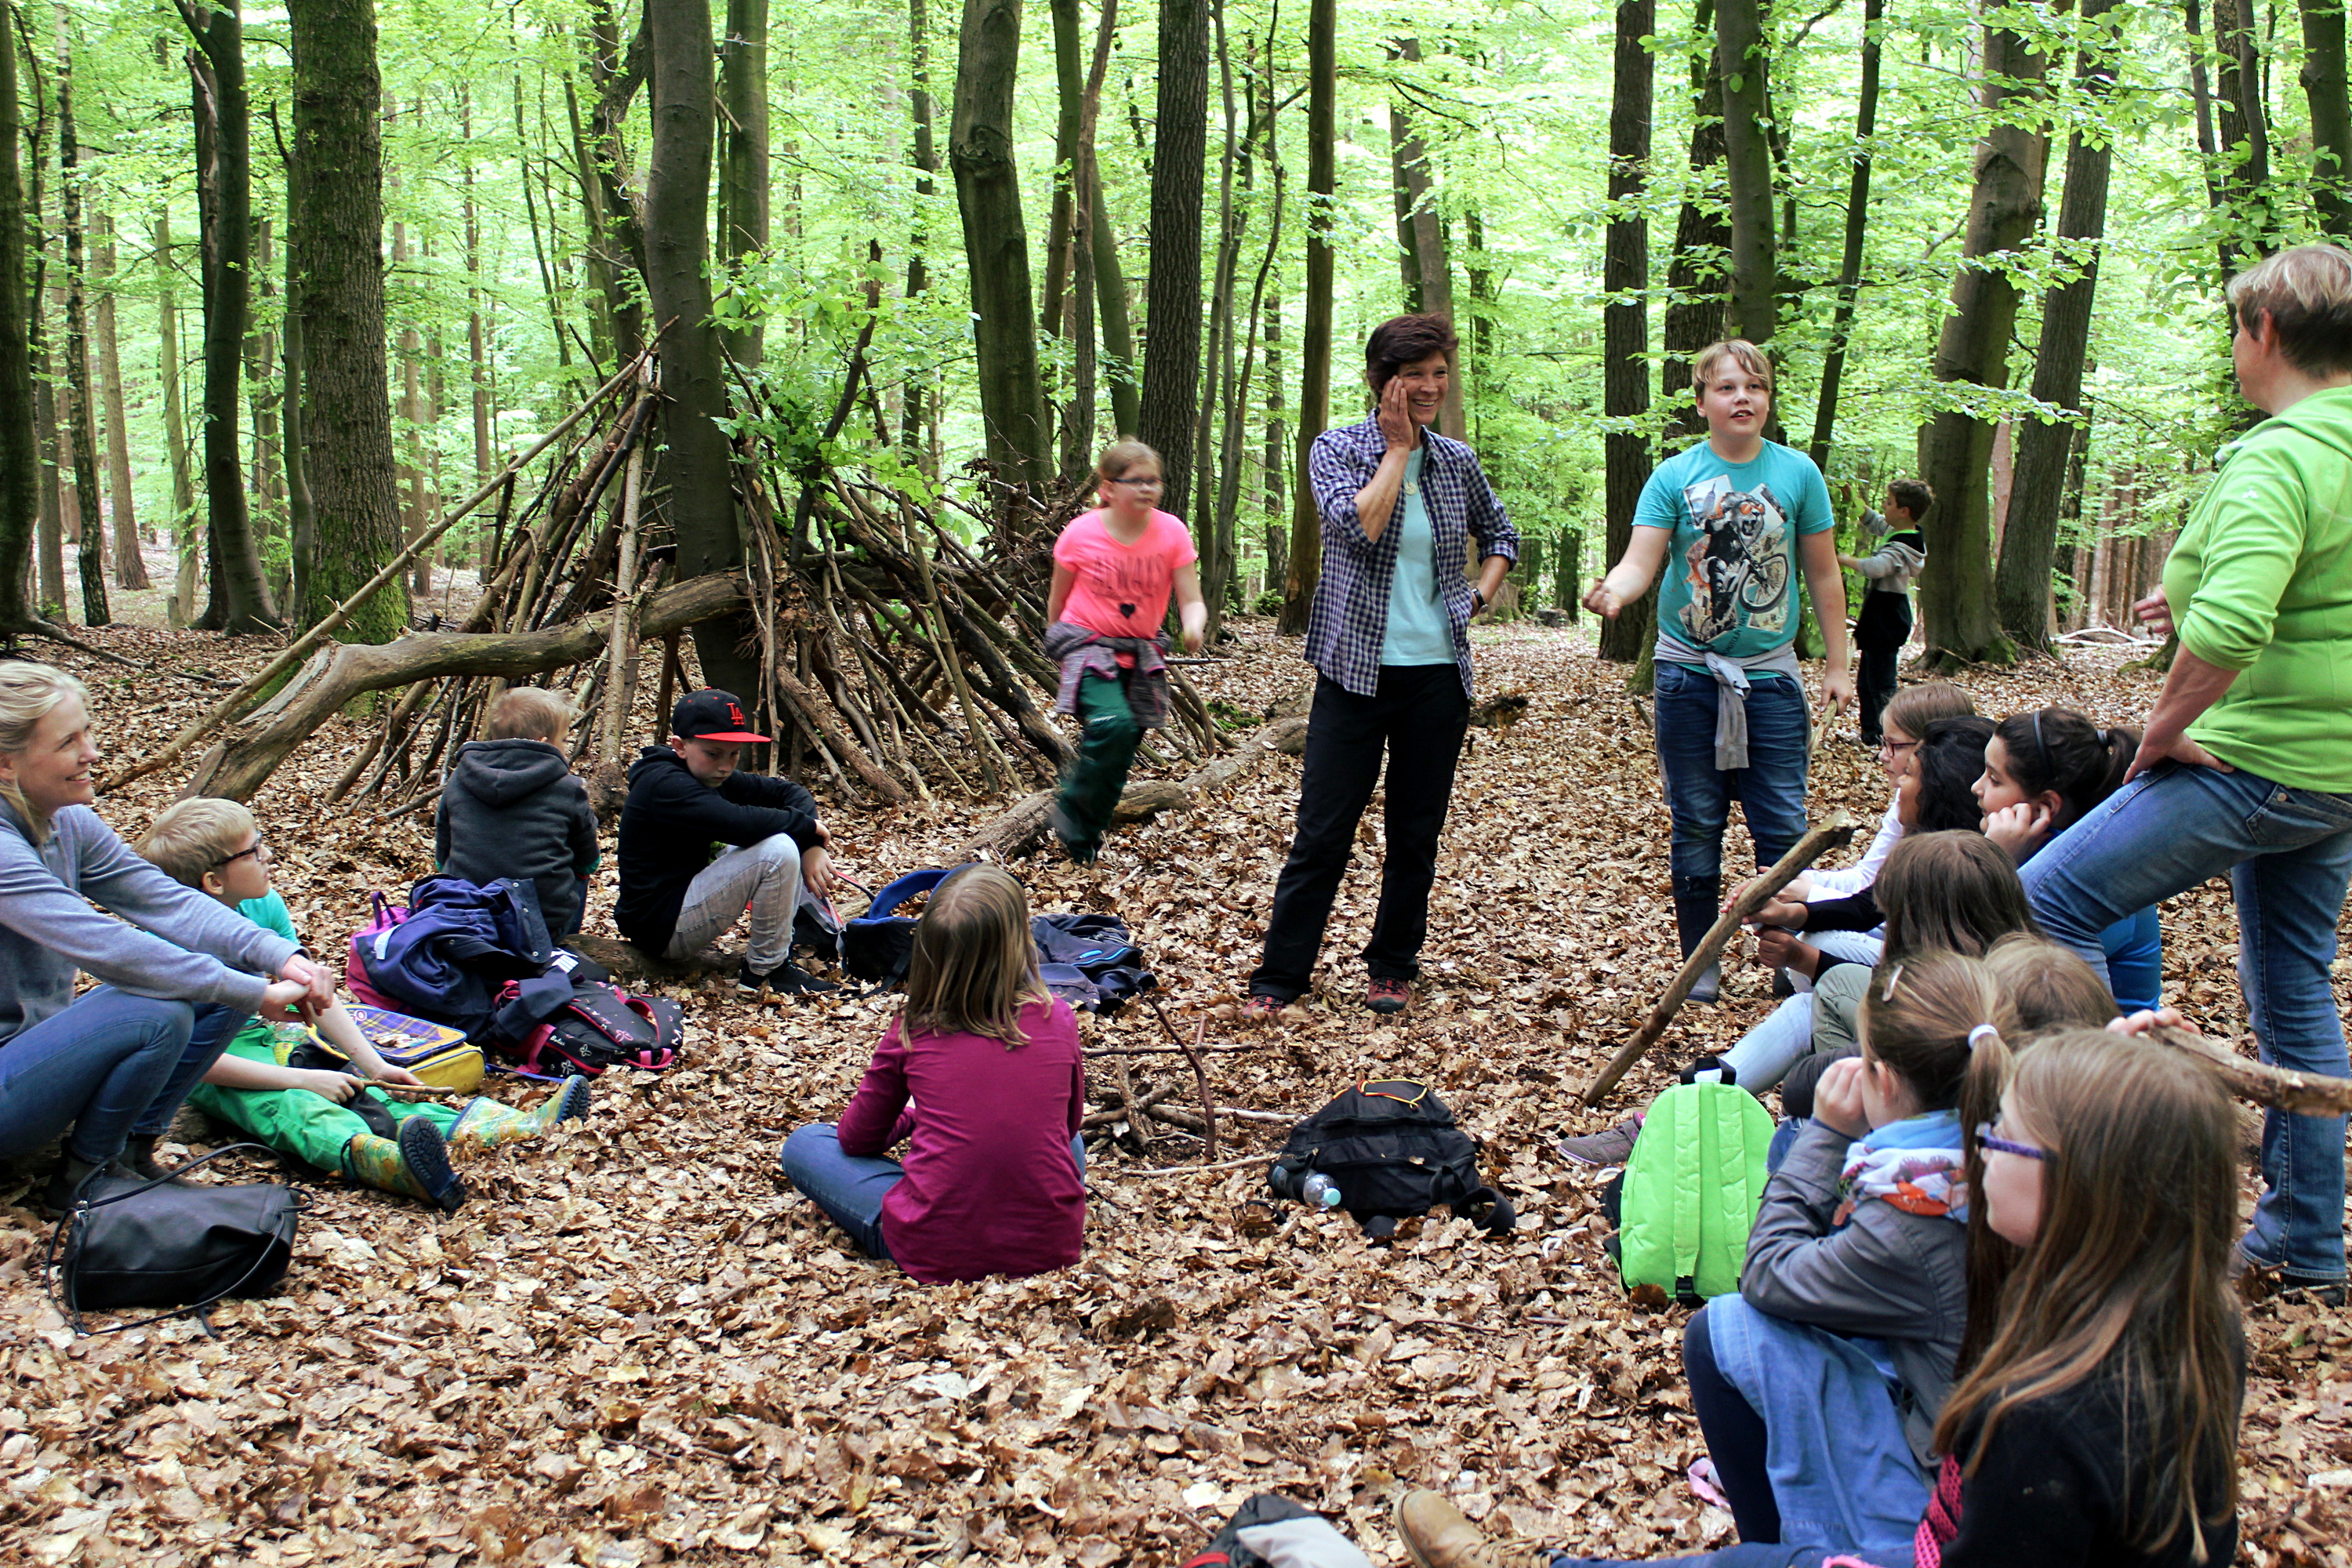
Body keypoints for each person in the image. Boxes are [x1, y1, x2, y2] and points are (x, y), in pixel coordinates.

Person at [1400, 1030, 2244, 1568]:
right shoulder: (2189, 1316)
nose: (1976, 1144)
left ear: (2084, 1185)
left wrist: (1832, 1140)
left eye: (2003, 1133)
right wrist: (2130, 1077)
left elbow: (1767, 1274)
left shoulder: (2043, 1415)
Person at [2020, 243, 2352, 1301]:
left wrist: (2161, 729)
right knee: (2292, 984)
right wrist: (2187, 602)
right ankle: (2305, 1244)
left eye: (2236, 329)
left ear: (2265, 333)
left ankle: (2098, 1184)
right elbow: (2299, 592)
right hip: (2336, 774)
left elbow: (2246, 618)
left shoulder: (2281, 454)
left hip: (2254, 762)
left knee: (2043, 900)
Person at [1682, 953, 2009, 1560]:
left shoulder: (1920, 1206)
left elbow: (1768, 1275)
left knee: (1721, 1332)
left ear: (1880, 1080)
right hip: (1995, 1451)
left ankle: (1787, 1551)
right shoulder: (2018, 1150)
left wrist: (1826, 1135)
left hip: (1950, 1493)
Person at [1244, 314, 1519, 1018]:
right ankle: (1281, 978)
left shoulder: (1457, 461)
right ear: (1382, 380)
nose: (1430, 387)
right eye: (1414, 374)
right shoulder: (1337, 449)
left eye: (1438, 373)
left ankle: (1393, 965)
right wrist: (1397, 451)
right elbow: (1359, 526)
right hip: (1353, 676)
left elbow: (1502, 534)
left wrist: (1474, 601)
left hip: (1436, 677)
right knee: (1323, 832)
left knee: (1414, 832)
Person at [140, 797, 590, 1213]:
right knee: (294, 1106)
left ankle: (512, 1124)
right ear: (213, 881)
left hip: (261, 1036)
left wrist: (374, 1065)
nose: (268, 856)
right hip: (207, 1061)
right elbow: (191, 1059)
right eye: (253, 851)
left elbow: (314, 996)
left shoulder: (264, 906)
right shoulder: (167, 943)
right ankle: (386, 1163)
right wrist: (302, 1079)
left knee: (363, 1086)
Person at [0, 662, 331, 1210]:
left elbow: (166, 900)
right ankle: (85, 1179)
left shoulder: (65, 822)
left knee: (227, 968)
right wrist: (254, 996)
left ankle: (131, 1153)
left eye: (88, 732)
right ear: (6, 763)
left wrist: (281, 957)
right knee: (161, 1009)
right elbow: (106, 946)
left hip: (31, 1058)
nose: (92, 753)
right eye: (68, 742)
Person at [1587, 339, 1853, 1004]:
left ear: (1767, 400)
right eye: (1728, 387)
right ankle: (1700, 961)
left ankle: (1788, 962)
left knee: (1782, 828)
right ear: (1702, 401)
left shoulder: (1798, 475)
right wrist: (1617, 593)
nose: (1744, 397)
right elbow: (1640, 561)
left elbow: (1823, 573)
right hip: (1687, 677)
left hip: (1770, 678)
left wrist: (1840, 664)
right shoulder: (1674, 476)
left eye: (1755, 386)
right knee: (1698, 820)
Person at [1559, 826, 2038, 1167]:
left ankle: (1703, 1113)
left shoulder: (1979, 1013)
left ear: (1924, 928)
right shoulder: (1998, 970)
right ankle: (1687, 1106)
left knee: (1821, 1004)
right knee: (1814, 999)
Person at [778, 866, 1087, 1283]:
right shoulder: (1058, 1017)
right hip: (1050, 1246)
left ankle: (943, 1204)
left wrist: (918, 1114)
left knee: (807, 1142)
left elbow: (856, 1138)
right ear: (1018, 942)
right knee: (1064, 1137)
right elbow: (1068, 1126)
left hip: (932, 1250)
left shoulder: (913, 1028)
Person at [1043, 438, 1207, 865]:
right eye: (1136, 481)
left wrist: (1193, 624)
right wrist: (1059, 645)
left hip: (1140, 650)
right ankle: (1072, 814)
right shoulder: (1081, 533)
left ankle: (1084, 842)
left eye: (1154, 481)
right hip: (1087, 644)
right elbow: (1058, 601)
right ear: (1108, 488)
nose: (1148, 489)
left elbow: (1190, 597)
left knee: (1125, 743)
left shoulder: (1172, 531)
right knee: (1113, 725)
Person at [615, 688, 840, 997]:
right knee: (777, 850)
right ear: (680, 747)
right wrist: (807, 829)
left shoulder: (707, 774)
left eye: (734, 754)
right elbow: (739, 824)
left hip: (681, 904)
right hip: (661, 926)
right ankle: (766, 971)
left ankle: (782, 947)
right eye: (714, 753)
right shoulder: (664, 784)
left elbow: (790, 792)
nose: (726, 766)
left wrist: (812, 847)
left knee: (782, 843)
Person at [1973, 709, 2161, 1014]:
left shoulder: (2088, 878)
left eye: (1994, 779)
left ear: (2046, 805)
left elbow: (1982, 965)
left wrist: (1995, 862)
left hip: (2105, 1050)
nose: (1976, 787)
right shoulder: (2045, 852)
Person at [434, 685, 601, 938]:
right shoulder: (567, 788)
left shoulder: (460, 779)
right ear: (544, 743)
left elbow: (442, 853)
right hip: (540, 926)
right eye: (564, 740)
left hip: (467, 913)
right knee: (581, 872)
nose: (566, 748)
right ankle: (565, 942)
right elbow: (589, 860)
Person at [1839, 481, 1931, 750]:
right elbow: (1876, 522)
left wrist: (1843, 559)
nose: (1885, 507)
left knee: (1882, 683)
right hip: (1880, 616)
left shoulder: (1903, 546)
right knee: (1867, 680)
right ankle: (1871, 733)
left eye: (1890, 503)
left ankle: (1892, 734)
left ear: (1904, 511)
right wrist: (1854, 501)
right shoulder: (1900, 532)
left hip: (1887, 618)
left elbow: (1876, 567)